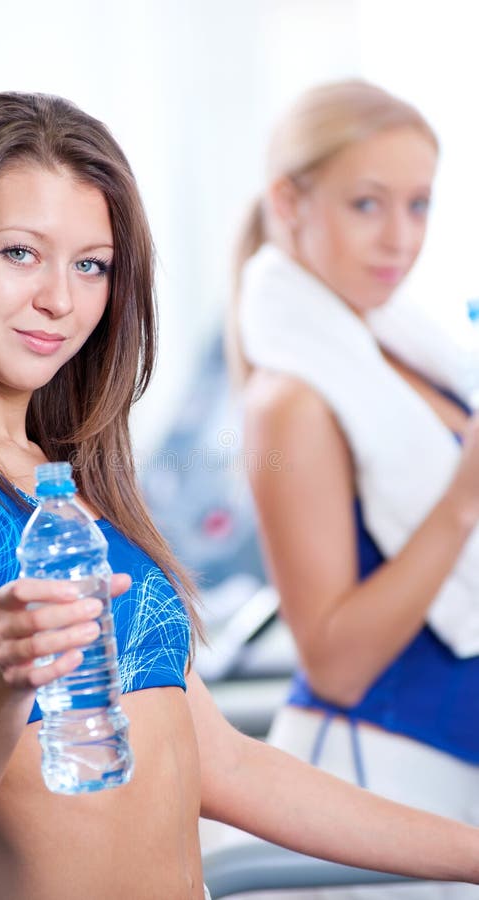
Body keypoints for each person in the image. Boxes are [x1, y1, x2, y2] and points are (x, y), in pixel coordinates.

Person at [0, 92, 479, 900]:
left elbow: (227, 764)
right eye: (21, 253)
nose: (61, 299)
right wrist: (3, 682)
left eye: (91, 264)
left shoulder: (72, 492)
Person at [230, 79, 479, 899]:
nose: (400, 239)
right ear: (289, 203)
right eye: (367, 205)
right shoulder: (290, 403)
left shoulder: (409, 356)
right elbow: (334, 663)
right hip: (380, 778)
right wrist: (463, 498)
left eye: (419, 205)